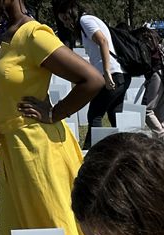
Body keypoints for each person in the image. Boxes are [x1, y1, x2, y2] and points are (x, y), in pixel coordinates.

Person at [0, 0, 104, 235]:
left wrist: (56, 111)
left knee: (60, 223)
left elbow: (91, 79)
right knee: (14, 224)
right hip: (12, 147)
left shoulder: (34, 36)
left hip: (39, 148)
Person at [55, 1, 126, 148]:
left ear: (71, 13)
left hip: (111, 74)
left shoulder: (85, 20)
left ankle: (90, 151)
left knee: (95, 114)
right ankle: (122, 149)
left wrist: (106, 72)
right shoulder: (88, 22)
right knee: (114, 116)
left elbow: (103, 41)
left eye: (66, 19)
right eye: (63, 22)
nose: (67, 24)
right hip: (120, 74)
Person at [136, 28, 164, 147]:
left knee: (146, 110)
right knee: (162, 113)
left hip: (155, 75)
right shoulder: (158, 45)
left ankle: (163, 137)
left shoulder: (145, 45)